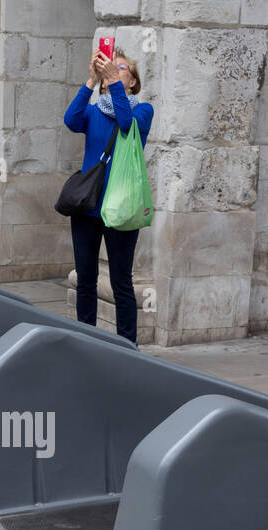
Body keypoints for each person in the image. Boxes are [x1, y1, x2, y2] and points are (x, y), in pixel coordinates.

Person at [63, 44, 153, 344]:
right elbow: (70, 120)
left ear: (132, 82)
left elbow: (127, 126)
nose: (114, 71)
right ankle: (85, 342)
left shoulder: (143, 111)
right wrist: (90, 80)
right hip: (87, 208)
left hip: (121, 209)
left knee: (121, 283)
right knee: (86, 281)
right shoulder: (92, 112)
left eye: (122, 69)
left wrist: (112, 81)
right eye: (111, 68)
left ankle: (127, 346)